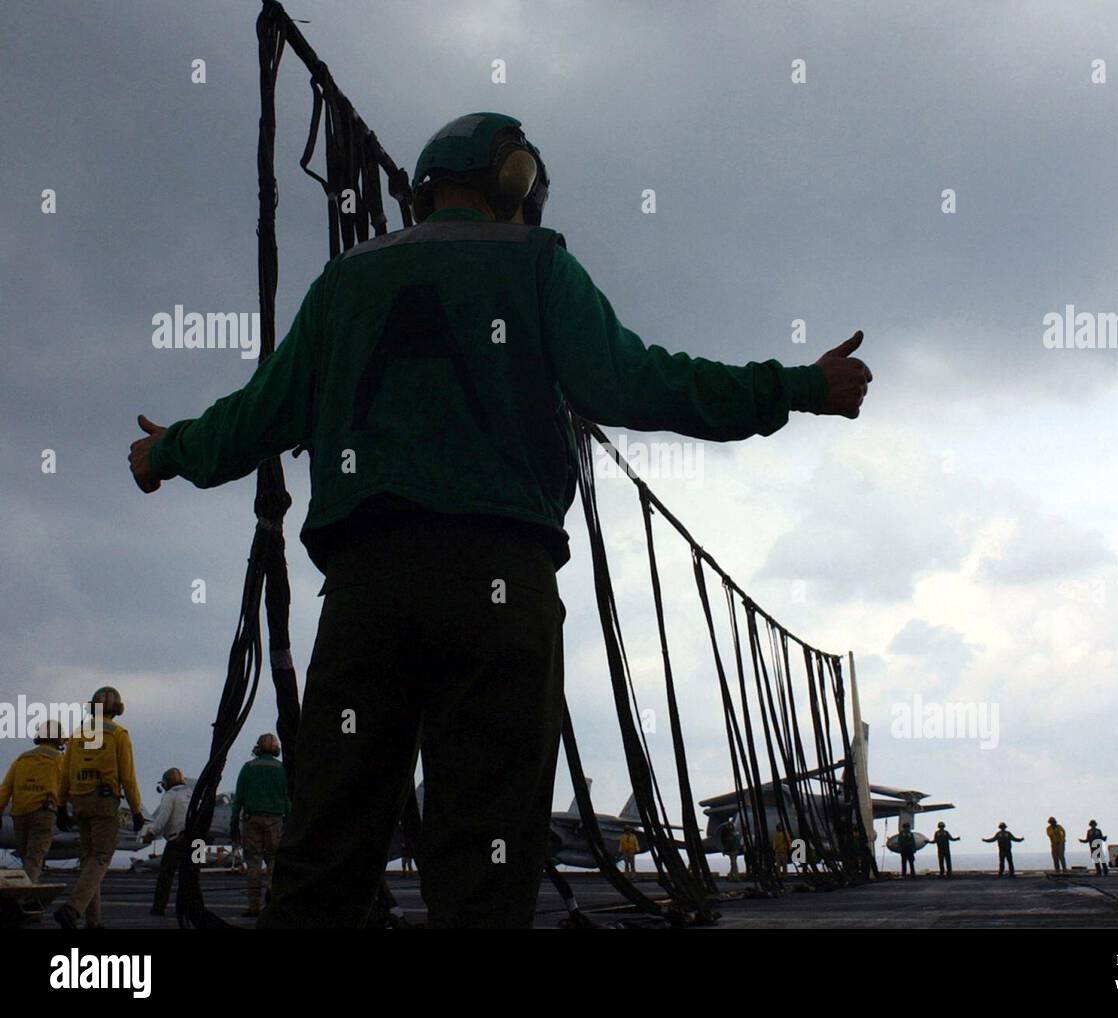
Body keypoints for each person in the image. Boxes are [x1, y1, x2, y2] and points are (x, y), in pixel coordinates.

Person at [128, 112, 869, 928]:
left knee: (327, 850)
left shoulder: (345, 280)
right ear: (517, 183)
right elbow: (640, 383)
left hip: (365, 593)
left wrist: (169, 455)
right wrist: (798, 386)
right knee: (486, 856)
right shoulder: (539, 265)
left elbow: (258, 417)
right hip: (499, 589)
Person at [53, 688, 143, 930]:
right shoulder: (119, 734)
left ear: (92, 707)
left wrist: (61, 805)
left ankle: (94, 920)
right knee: (102, 856)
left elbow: (65, 775)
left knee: (89, 859)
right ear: (118, 709)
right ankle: (73, 908)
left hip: (78, 802)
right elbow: (128, 776)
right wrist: (136, 810)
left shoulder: (77, 733)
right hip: (104, 802)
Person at [0, 722, 66, 900]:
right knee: (34, 858)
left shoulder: (22, 758)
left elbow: (5, 789)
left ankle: (21, 897)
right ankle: (26, 902)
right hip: (43, 813)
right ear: (58, 738)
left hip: (19, 814)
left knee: (25, 857)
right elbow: (65, 789)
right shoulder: (60, 759)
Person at [230, 734, 291, 918]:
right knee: (273, 862)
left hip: (251, 820)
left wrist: (234, 820)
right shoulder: (282, 769)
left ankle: (253, 906)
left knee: (253, 862)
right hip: (275, 820)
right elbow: (286, 797)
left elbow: (239, 797)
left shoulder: (248, 768)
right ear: (275, 749)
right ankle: (271, 904)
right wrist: (289, 820)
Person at [139, 767, 192, 916]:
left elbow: (162, 819)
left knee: (166, 875)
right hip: (196, 841)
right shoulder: (192, 794)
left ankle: (159, 908)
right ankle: (189, 907)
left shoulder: (170, 796)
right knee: (191, 875)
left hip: (176, 840)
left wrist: (151, 833)